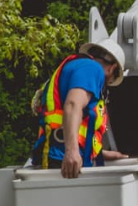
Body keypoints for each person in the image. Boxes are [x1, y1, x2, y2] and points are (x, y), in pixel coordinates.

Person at [29, 38, 129, 178]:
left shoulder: (78, 67)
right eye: (111, 79)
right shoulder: (92, 69)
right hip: (63, 161)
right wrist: (72, 151)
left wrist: (98, 152)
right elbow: (73, 104)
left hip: (58, 156)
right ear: (112, 68)